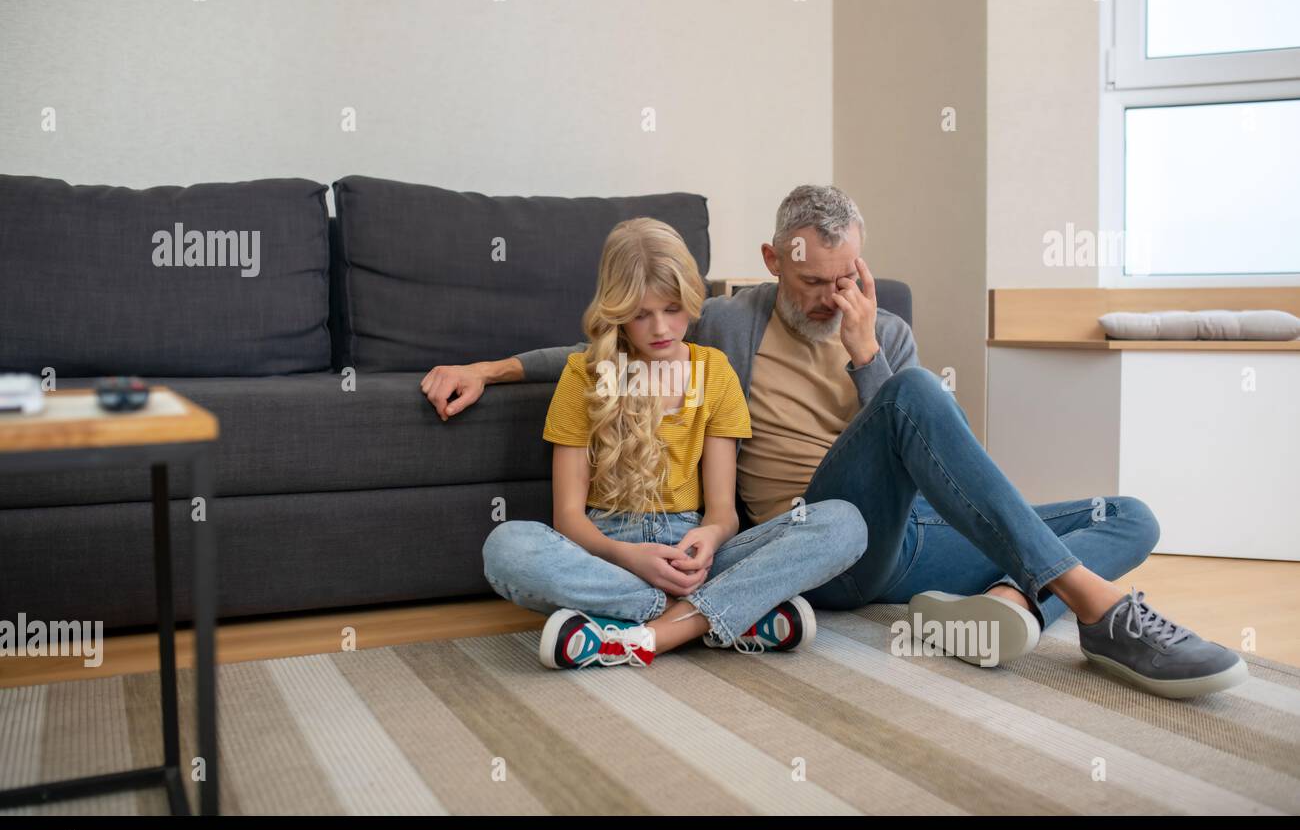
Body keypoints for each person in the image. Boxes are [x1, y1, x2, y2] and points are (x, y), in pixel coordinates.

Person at [437, 186, 1247, 698]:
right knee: (917, 400)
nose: (833, 297)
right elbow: (604, 351)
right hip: (817, 535)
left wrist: (865, 355)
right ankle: (1096, 610)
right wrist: (494, 367)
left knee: (1130, 514)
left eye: (848, 277)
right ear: (772, 263)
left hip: (910, 538)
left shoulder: (883, 333)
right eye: (813, 282)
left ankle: (1010, 604)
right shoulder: (723, 324)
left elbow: (920, 453)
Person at [479, 217, 868, 669]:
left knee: (845, 523)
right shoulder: (582, 376)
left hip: (696, 558)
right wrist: (629, 556)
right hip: (610, 557)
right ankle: (720, 617)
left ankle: (645, 633)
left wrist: (710, 534)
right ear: (617, 310)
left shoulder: (715, 371)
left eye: (672, 308)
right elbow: (567, 517)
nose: (661, 328)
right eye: (641, 314)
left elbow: (723, 511)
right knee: (506, 547)